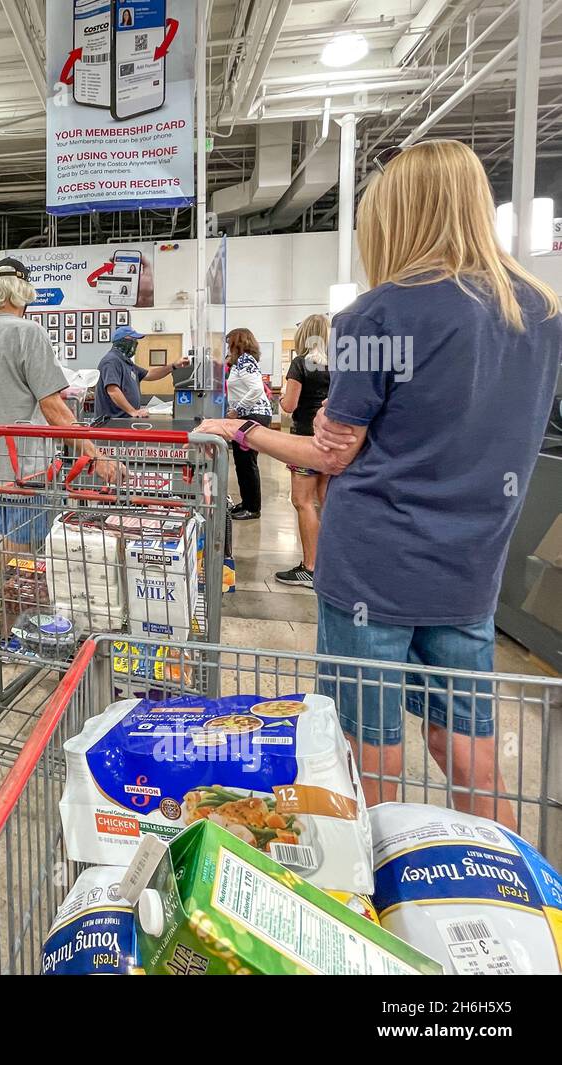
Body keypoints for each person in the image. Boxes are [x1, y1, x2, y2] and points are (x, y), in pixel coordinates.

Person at [199, 139, 562, 827]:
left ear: (398, 215)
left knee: (366, 743)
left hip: (375, 565)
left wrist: (242, 432)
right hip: (471, 567)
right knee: (465, 740)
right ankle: (497, 878)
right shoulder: (539, 312)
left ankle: (372, 886)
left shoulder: (378, 315)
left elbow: (330, 453)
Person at [0, 258, 121, 556]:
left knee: (10, 539)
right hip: (28, 470)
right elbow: (52, 408)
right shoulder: (28, 332)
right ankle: (17, 600)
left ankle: (10, 597)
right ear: (22, 295)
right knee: (27, 553)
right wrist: (96, 457)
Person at [274, 313, 331, 588]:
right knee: (325, 501)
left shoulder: (300, 364)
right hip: (329, 441)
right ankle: (330, 563)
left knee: (303, 501)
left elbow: (289, 406)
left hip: (304, 440)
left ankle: (310, 567)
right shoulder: (338, 364)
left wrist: (280, 397)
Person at [222, 327, 274, 519]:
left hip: (252, 415)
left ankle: (253, 508)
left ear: (236, 344)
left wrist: (238, 410)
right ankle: (247, 502)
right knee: (242, 463)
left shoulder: (244, 361)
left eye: (229, 344)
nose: (227, 347)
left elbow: (256, 389)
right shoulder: (240, 362)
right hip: (249, 415)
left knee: (247, 463)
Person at [92, 322, 189, 422]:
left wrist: (173, 366)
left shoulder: (127, 362)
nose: (135, 344)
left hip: (124, 420)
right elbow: (113, 390)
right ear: (123, 342)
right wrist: (133, 411)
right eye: (133, 340)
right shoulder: (111, 361)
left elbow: (150, 374)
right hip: (111, 423)